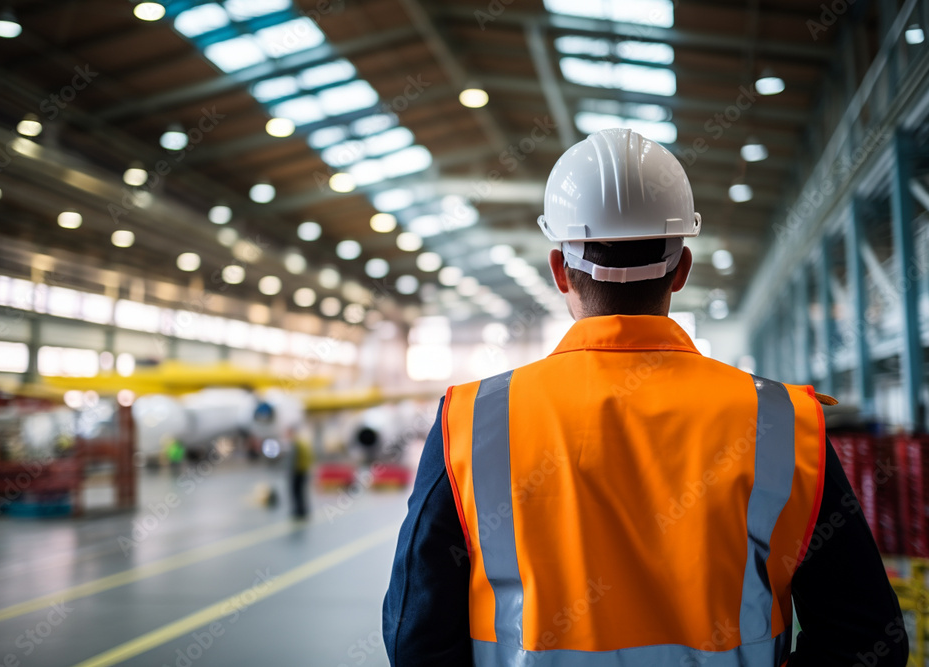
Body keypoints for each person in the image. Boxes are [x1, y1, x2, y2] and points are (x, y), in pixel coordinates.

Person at [383, 129, 907, 666]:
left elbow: (417, 641)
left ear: (560, 270)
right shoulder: (783, 423)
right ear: (681, 269)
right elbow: (867, 640)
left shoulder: (471, 422)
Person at [288, 429, 313, 520]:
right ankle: (303, 510)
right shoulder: (303, 443)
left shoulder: (296, 444)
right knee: (301, 492)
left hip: (297, 471)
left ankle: (299, 510)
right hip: (304, 470)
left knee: (296, 492)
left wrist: (290, 470)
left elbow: (293, 459)